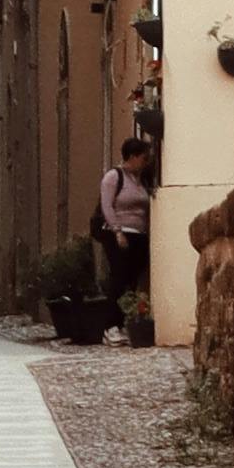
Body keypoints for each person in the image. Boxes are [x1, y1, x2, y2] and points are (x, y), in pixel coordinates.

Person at [97, 124, 154, 343]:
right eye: (142, 157)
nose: (145, 161)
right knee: (119, 279)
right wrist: (117, 231)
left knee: (131, 281)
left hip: (139, 235)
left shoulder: (140, 180)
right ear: (132, 156)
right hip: (120, 235)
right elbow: (107, 205)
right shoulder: (114, 177)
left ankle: (123, 324)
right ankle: (110, 326)